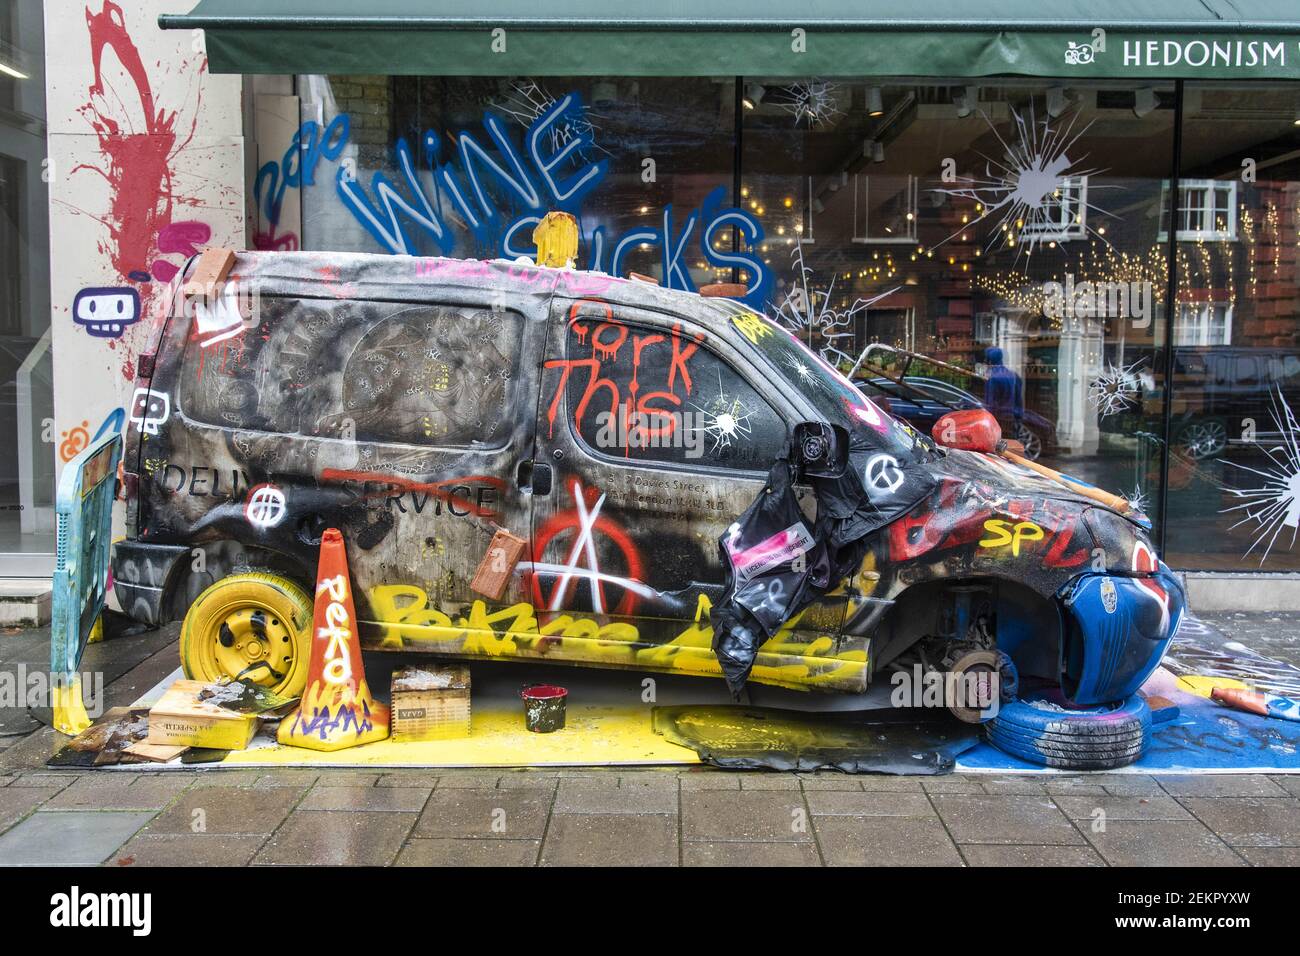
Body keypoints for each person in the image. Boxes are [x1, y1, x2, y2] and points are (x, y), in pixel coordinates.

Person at [983, 347, 1024, 437]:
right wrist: (1019, 418)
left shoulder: (993, 378)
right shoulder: (1013, 375)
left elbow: (990, 405)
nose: (985, 362)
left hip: (999, 420)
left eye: (986, 359)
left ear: (990, 361)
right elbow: (1019, 401)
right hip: (1012, 419)